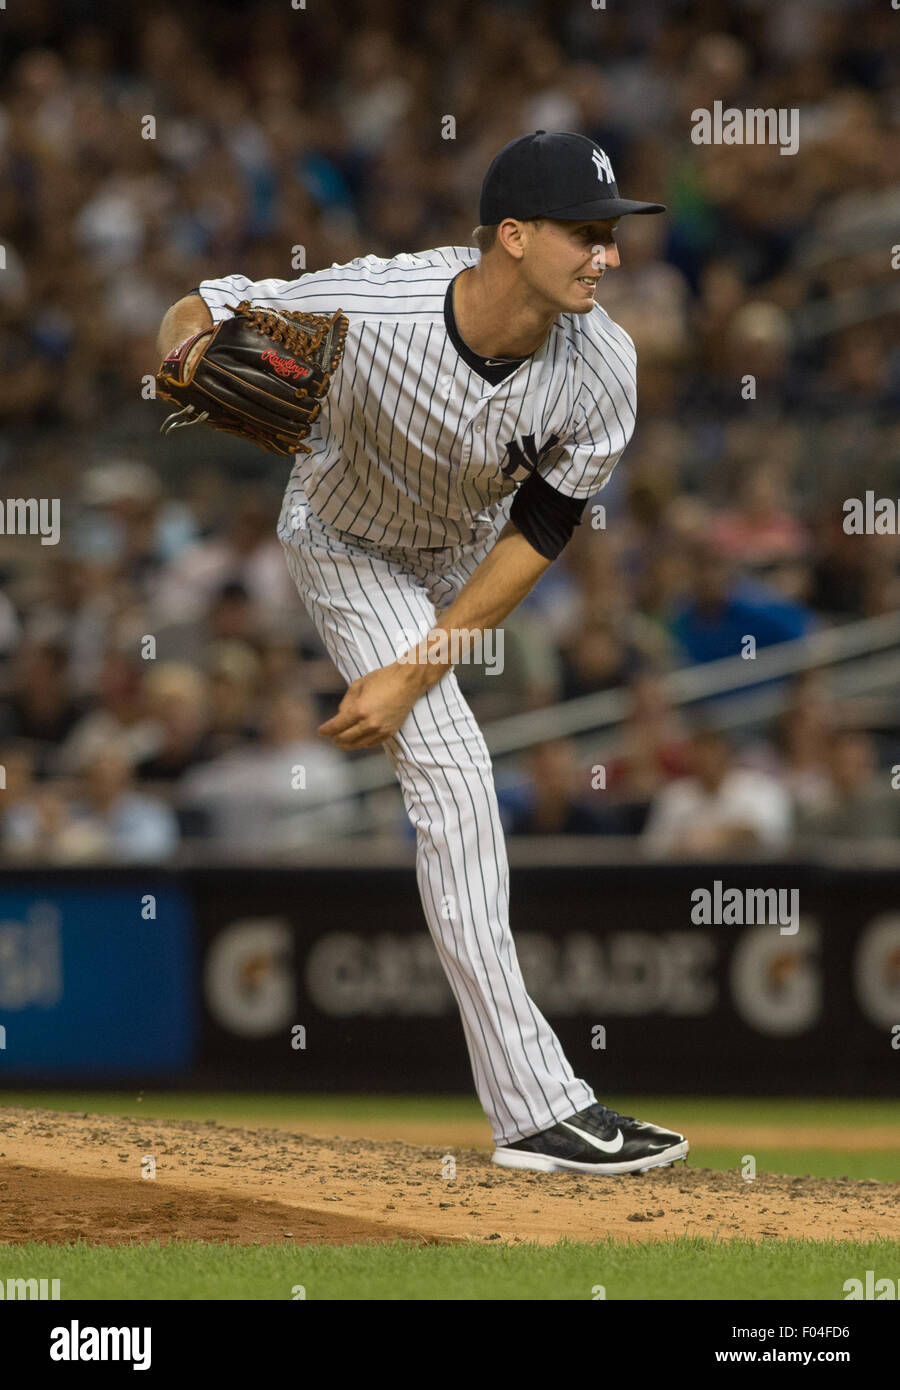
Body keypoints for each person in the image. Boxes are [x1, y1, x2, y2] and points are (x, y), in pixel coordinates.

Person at [155, 130, 688, 1176]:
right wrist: (176, 352)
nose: (607, 255)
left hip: (461, 565)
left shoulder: (604, 366)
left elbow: (541, 533)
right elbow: (204, 307)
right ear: (514, 236)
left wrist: (417, 664)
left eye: (611, 235)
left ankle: (537, 1108)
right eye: (588, 234)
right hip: (344, 543)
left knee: (444, 742)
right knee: (455, 776)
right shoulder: (377, 304)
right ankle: (538, 1109)